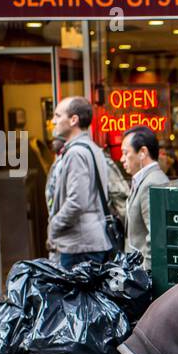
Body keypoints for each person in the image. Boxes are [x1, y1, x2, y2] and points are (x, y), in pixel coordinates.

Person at [47, 96, 114, 268]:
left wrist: (54, 226)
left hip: (80, 246)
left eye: (58, 115)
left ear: (73, 120)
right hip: (89, 243)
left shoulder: (76, 153)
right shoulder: (92, 148)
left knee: (76, 296)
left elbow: (77, 202)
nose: (53, 121)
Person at [121, 125, 169, 257]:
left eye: (126, 153)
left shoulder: (152, 182)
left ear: (142, 152)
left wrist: (146, 271)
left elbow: (156, 236)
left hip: (144, 272)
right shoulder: (144, 180)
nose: (122, 159)